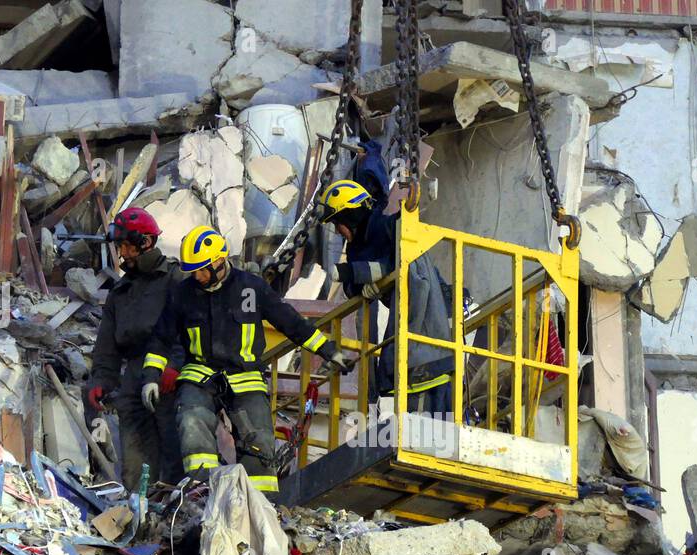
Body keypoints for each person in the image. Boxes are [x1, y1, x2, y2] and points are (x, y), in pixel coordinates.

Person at [140, 225, 355, 495]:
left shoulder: (251, 289)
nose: (198, 276)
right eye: (193, 271)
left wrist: (328, 351)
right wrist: (150, 378)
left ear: (220, 261)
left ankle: (260, 504)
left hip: (245, 376)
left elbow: (291, 323)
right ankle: (202, 494)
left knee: (259, 442)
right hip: (199, 376)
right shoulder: (183, 294)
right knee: (192, 422)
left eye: (203, 269)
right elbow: (160, 339)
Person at [319, 178, 454, 416]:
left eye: (338, 222)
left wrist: (361, 274)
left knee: (433, 423)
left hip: (427, 330)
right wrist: (362, 285)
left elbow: (402, 264)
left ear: (351, 215)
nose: (339, 230)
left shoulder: (388, 228)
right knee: (416, 418)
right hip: (409, 340)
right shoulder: (357, 247)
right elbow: (352, 288)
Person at [85, 207, 184, 486]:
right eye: (120, 247)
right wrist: (101, 381)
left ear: (146, 243)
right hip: (134, 379)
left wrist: (175, 367)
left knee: (175, 457)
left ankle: (180, 513)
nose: (123, 254)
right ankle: (141, 514)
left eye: (127, 246)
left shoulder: (176, 279)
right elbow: (107, 346)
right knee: (135, 467)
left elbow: (191, 330)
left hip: (171, 377)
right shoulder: (120, 292)